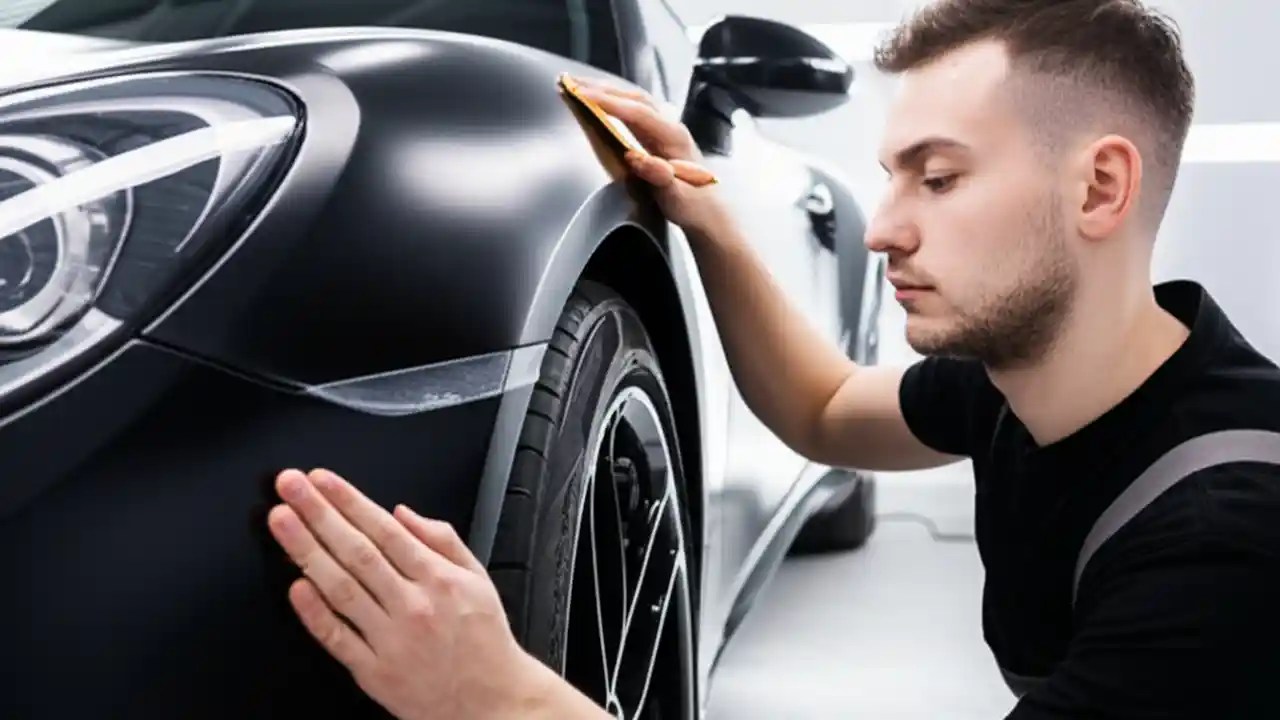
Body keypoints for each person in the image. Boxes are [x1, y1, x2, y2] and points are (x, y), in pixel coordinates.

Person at [264, 0, 1280, 717]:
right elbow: (827, 408)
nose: (881, 230)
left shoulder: (1225, 548)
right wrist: (704, 212)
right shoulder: (1030, 385)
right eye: (888, 180)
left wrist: (492, 694)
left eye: (937, 178)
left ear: (1097, 189)